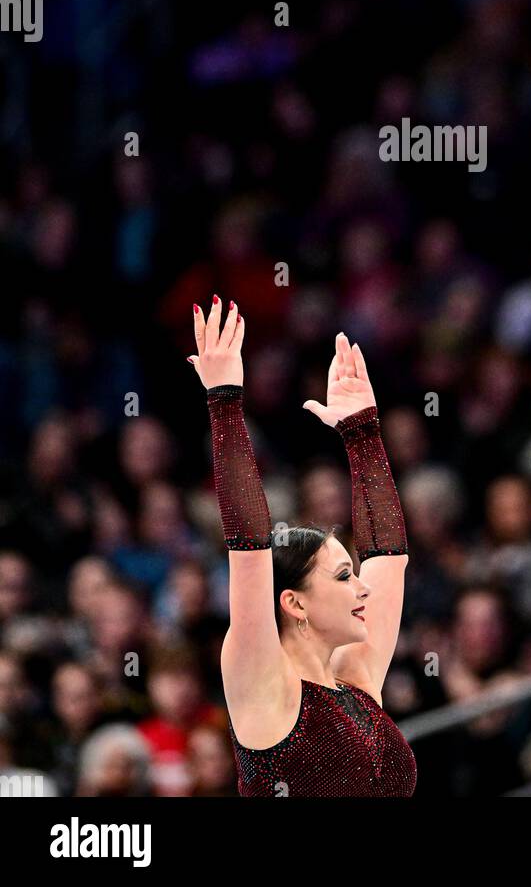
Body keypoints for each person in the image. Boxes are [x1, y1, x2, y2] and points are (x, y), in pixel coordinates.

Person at [187, 298, 416, 797]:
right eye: (341, 576)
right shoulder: (263, 685)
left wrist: (362, 433)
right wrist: (224, 399)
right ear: (293, 602)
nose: (363, 587)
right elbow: (248, 548)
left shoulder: (355, 680)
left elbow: (389, 558)